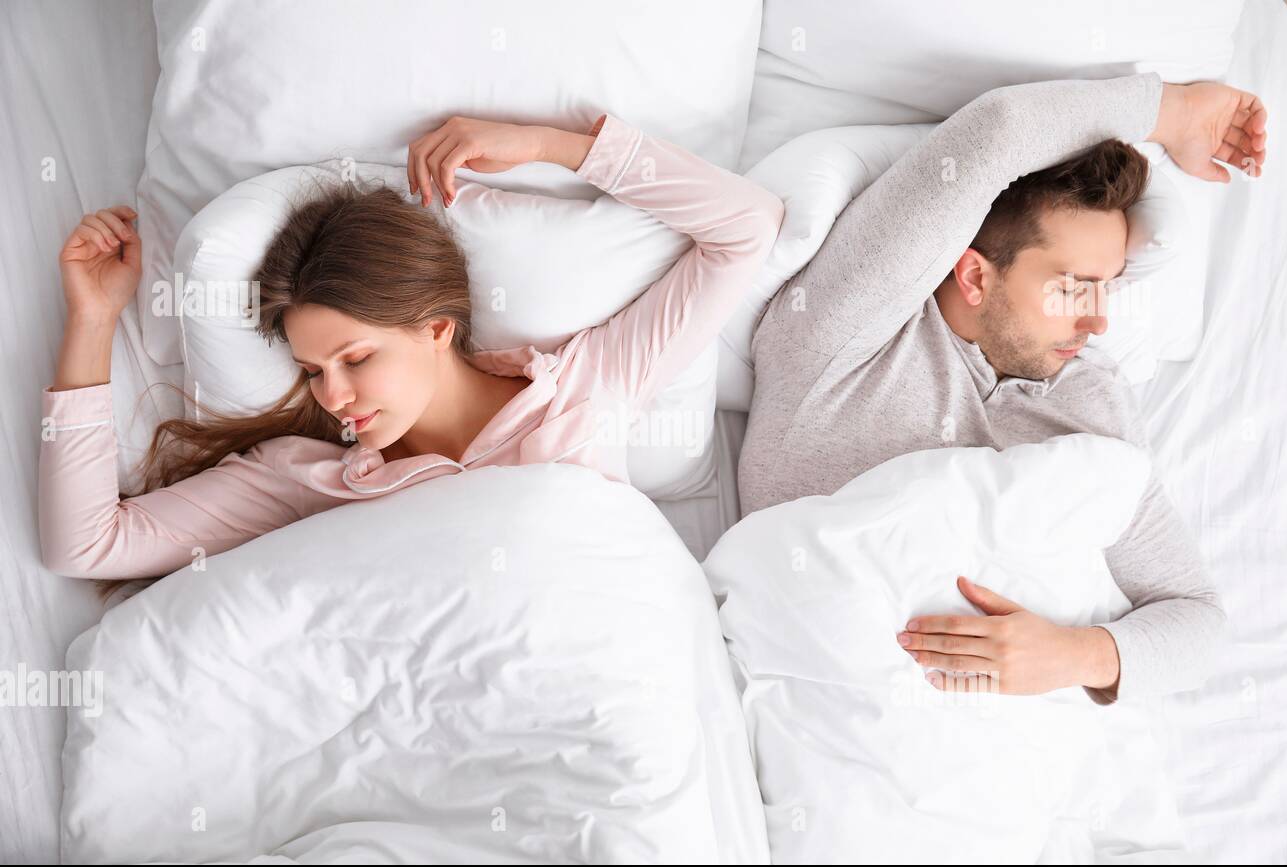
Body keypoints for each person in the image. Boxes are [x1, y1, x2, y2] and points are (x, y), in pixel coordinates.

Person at [40, 114, 784, 596]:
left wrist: (550, 147)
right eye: (311, 371)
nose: (332, 396)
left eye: (355, 359)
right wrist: (94, 318)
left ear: (436, 328)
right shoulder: (314, 478)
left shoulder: (585, 388)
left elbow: (748, 224)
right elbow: (85, 544)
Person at [738, 75, 1267, 705]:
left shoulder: (1090, 398)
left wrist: (1076, 655)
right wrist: (1174, 111)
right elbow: (999, 131)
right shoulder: (848, 335)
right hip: (827, 711)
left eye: (1110, 285)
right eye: (1072, 288)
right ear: (974, 276)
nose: (1099, 321)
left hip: (1022, 756)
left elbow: (1198, 619)